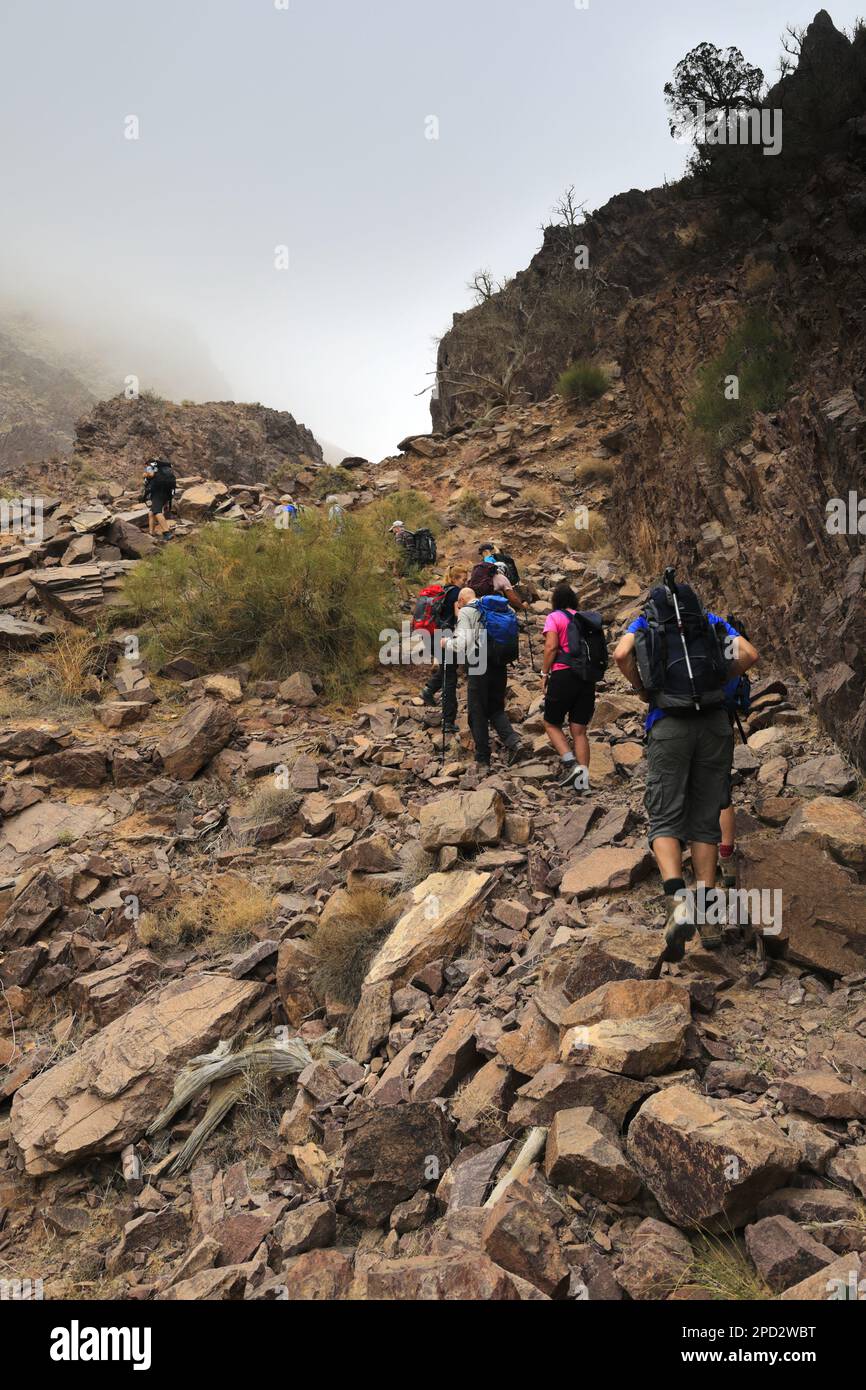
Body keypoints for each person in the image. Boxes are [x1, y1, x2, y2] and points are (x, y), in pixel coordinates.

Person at [613, 574, 758, 962]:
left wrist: (643, 689)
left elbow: (621, 655)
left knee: (664, 815)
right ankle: (709, 918)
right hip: (713, 724)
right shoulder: (709, 621)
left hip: (669, 723)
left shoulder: (648, 622)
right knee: (706, 816)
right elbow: (749, 654)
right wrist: (716, 682)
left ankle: (678, 903)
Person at [449, 587, 525, 771]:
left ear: (461, 601)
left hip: (478, 664)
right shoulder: (500, 609)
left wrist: (445, 642)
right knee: (495, 708)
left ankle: (482, 758)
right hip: (499, 663)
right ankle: (514, 742)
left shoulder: (466, 611)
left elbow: (461, 644)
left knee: (477, 712)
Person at [541, 582, 602, 789]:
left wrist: (544, 672)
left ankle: (571, 762)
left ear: (555, 601)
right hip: (586, 677)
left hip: (563, 673)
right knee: (579, 731)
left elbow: (551, 647)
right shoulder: (584, 618)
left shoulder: (554, 617)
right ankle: (582, 782)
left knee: (551, 723)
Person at [420, 565, 463, 734]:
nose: (464, 582)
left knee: (448, 670)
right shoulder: (454, 593)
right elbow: (458, 616)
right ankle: (448, 721)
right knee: (450, 679)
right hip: (446, 637)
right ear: (453, 579)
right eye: (462, 579)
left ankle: (428, 690)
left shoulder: (442, 591)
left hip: (435, 635)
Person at [146, 458, 177, 537]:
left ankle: (167, 533)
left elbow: (151, 474)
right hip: (167, 492)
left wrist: (145, 474)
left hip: (158, 492)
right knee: (151, 512)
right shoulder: (163, 468)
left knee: (157, 511)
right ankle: (151, 532)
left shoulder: (151, 466)